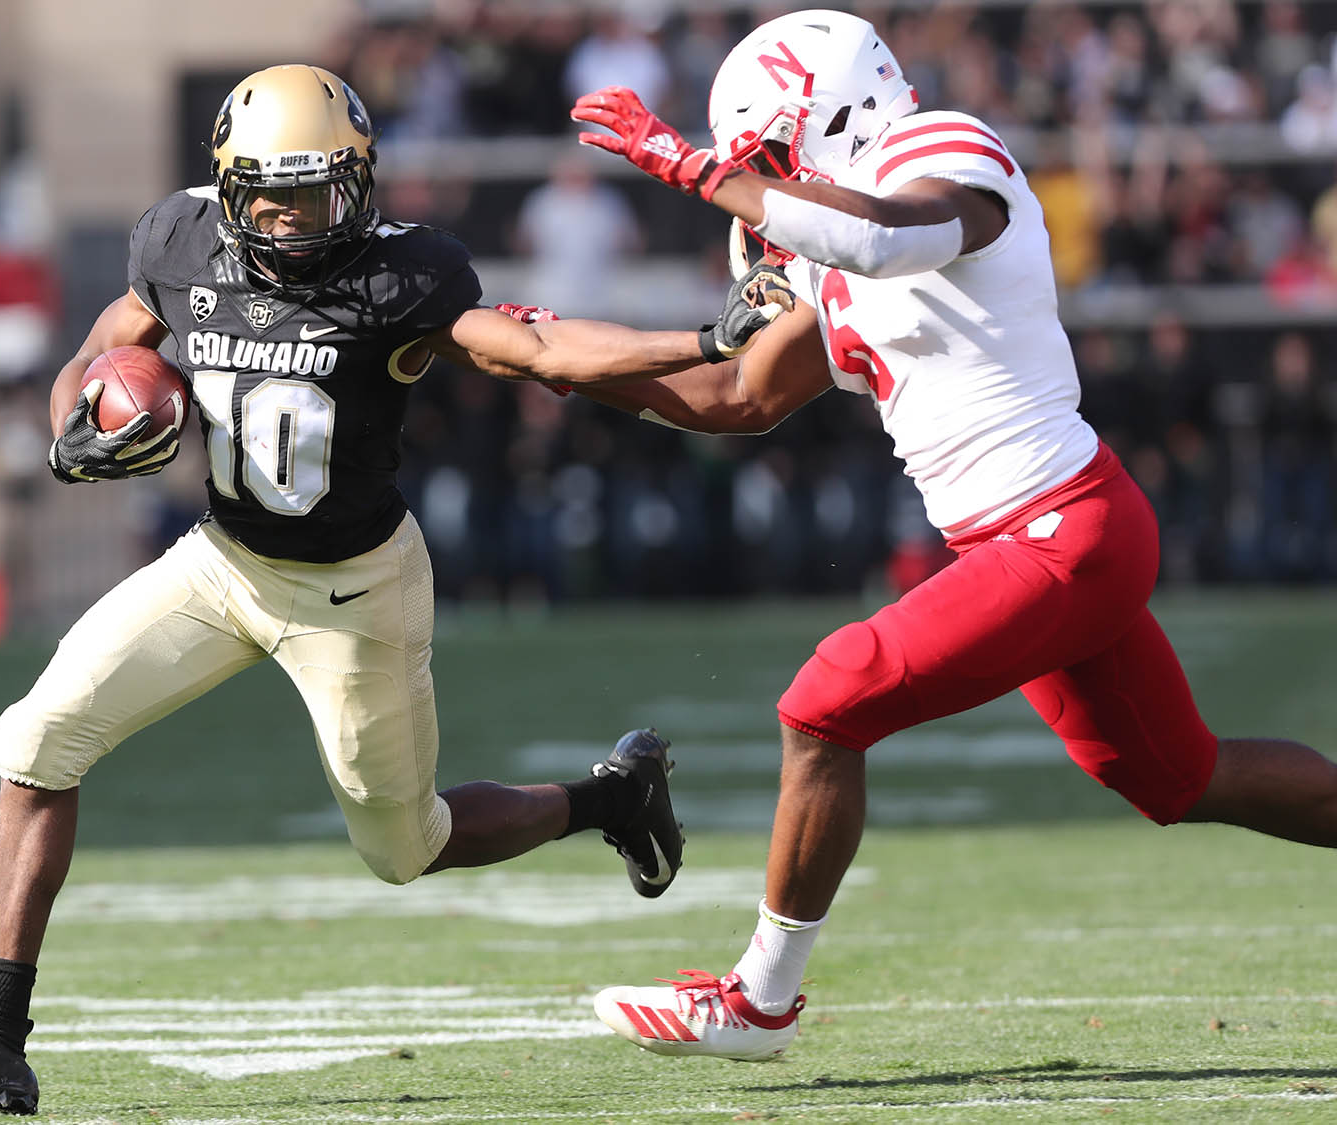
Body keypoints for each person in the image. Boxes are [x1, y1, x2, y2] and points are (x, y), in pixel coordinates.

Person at [0, 63, 792, 1116]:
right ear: (228, 183)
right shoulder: (178, 240)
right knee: (34, 744)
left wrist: (702, 339)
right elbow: (105, 346)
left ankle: (609, 799)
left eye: (320, 190)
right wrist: (77, 423)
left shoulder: (401, 276)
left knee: (405, 848)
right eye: (274, 194)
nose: (297, 217)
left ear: (360, 180)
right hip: (221, 563)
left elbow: (536, 347)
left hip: (354, 590)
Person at [561, 8, 1337, 1062]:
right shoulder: (835, 259)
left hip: (1061, 528)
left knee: (826, 700)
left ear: (823, 115)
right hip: (1036, 543)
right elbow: (736, 392)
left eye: (771, 157)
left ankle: (758, 1002)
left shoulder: (941, 147)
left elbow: (884, 232)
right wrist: (545, 357)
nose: (763, 185)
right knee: (1176, 778)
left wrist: (686, 167)